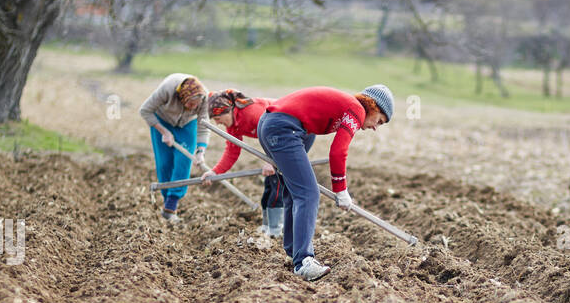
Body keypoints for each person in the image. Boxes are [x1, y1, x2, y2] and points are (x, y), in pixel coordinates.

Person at [255, 84, 394, 281]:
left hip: (272, 124)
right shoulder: (356, 110)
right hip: (283, 128)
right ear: (373, 107)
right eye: (378, 121)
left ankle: (293, 250)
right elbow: (338, 152)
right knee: (308, 194)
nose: (374, 128)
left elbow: (311, 125)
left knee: (295, 192)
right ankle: (303, 261)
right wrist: (341, 190)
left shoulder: (348, 106)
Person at [200, 89, 286, 238]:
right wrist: (215, 172)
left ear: (227, 110)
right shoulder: (233, 125)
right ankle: (267, 226)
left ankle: (276, 230)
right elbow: (232, 152)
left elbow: (278, 134)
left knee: (276, 181)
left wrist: (273, 162)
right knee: (268, 184)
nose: (217, 123)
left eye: (217, 118)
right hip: (276, 140)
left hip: (291, 132)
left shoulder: (252, 113)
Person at [139, 74, 210, 224]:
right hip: (162, 121)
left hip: (187, 125)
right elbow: (145, 110)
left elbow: (204, 126)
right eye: (191, 105)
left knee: (183, 161)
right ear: (182, 98)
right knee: (165, 163)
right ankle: (166, 200)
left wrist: (200, 152)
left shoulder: (204, 99)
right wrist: (164, 132)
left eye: (196, 105)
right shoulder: (168, 89)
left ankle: (171, 207)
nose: (194, 107)